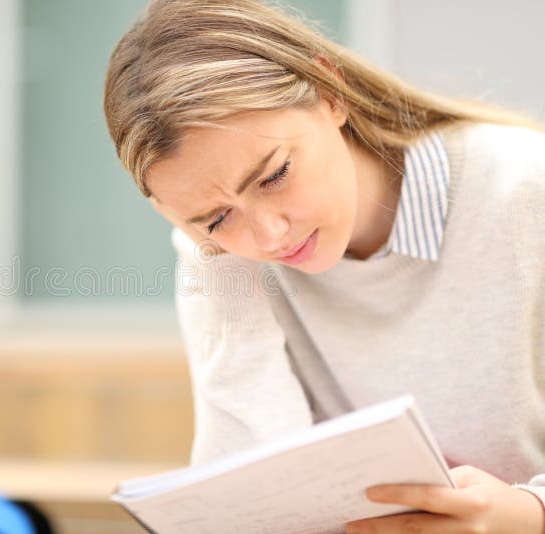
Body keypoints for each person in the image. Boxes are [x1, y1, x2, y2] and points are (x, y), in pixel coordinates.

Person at [104, 0, 545, 532]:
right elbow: (252, 507)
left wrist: (530, 514)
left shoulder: (524, 190)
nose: (270, 235)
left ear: (328, 91)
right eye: (216, 217)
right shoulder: (227, 257)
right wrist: (215, 262)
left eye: (273, 176)